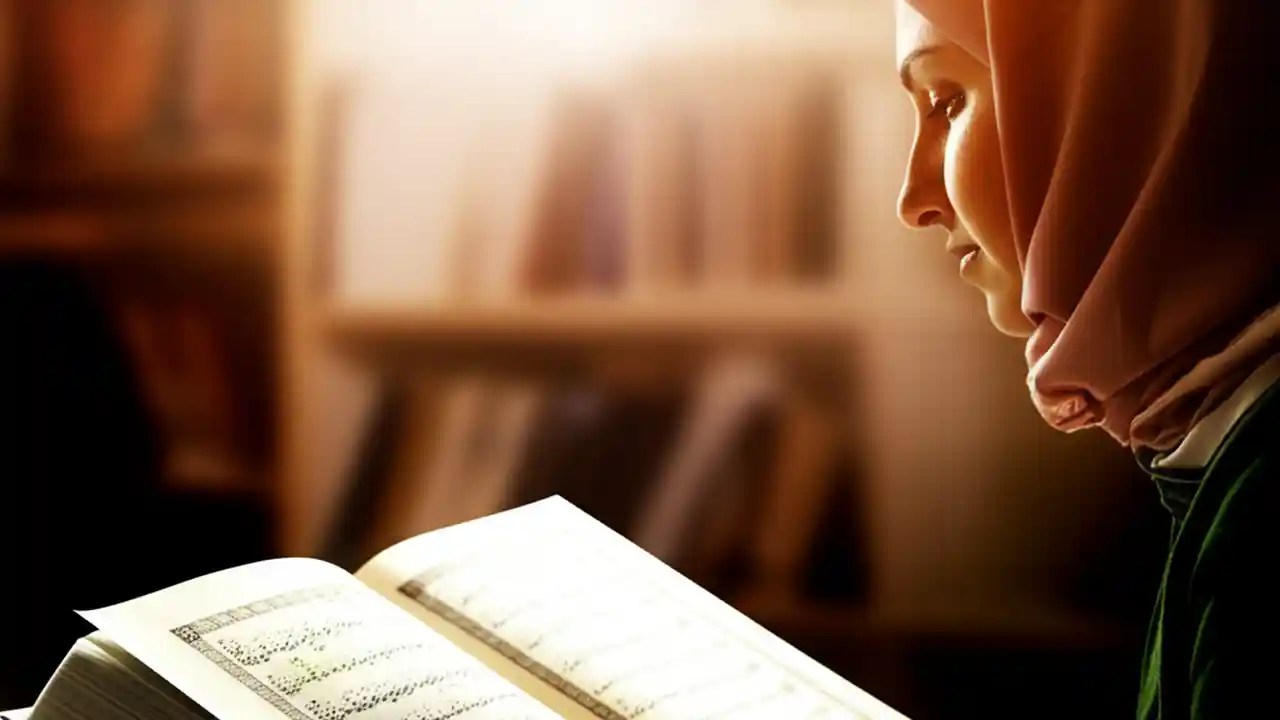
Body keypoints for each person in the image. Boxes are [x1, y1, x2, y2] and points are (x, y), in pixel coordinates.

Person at [892, 1, 1280, 718]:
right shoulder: (1213, 439)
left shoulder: (1262, 522)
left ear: (1129, 91)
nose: (913, 201)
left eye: (947, 102)